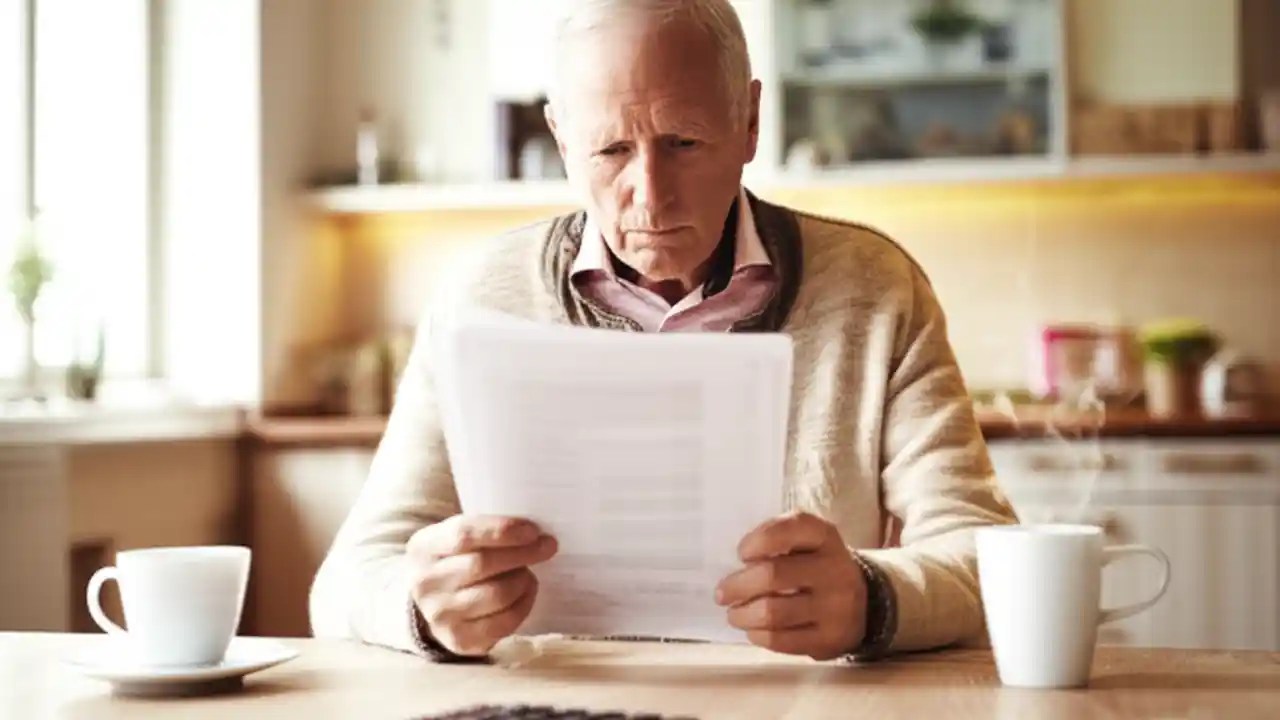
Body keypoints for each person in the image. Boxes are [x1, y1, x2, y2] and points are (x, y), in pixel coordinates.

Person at [310, 0, 1016, 664]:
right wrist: (419, 607)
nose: (650, 194)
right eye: (611, 150)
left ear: (749, 123)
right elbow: (343, 585)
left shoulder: (876, 289)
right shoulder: (478, 300)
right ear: (561, 140)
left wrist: (869, 599)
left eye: (683, 141)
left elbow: (989, 561)